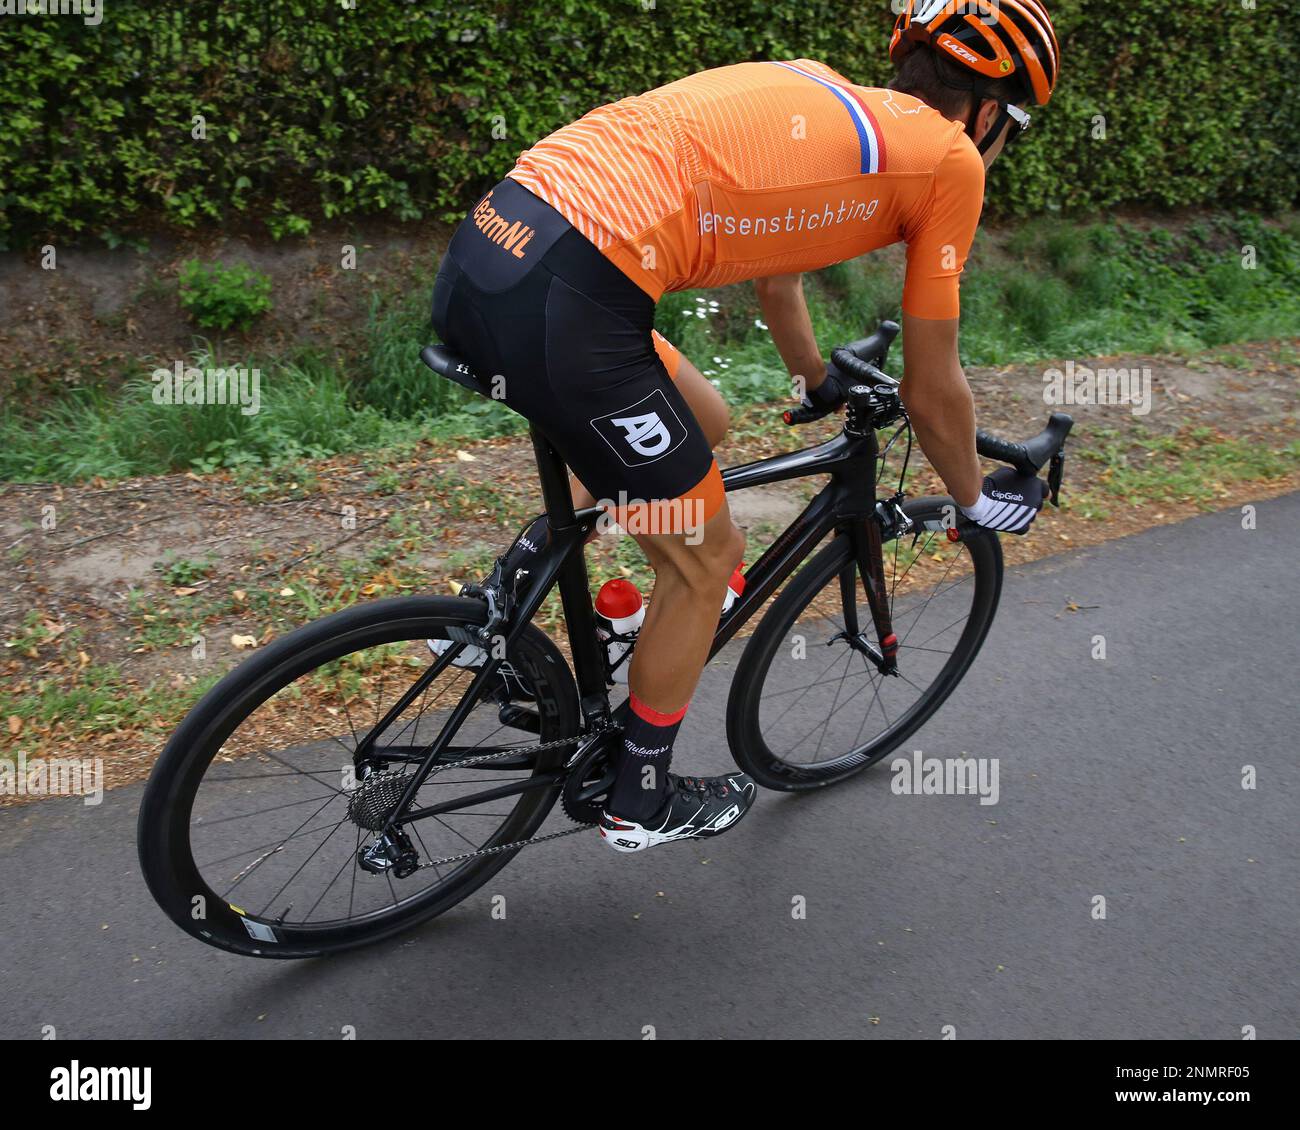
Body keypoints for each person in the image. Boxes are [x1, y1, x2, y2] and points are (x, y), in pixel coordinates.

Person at [431, 1, 1061, 851]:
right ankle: (640, 796)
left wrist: (813, 376)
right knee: (707, 561)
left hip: (495, 250)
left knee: (705, 414)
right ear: (989, 110)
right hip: (574, 303)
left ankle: (504, 602)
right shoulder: (949, 160)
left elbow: (778, 281)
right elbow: (933, 383)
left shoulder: (822, 94)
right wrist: (972, 497)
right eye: (1012, 121)